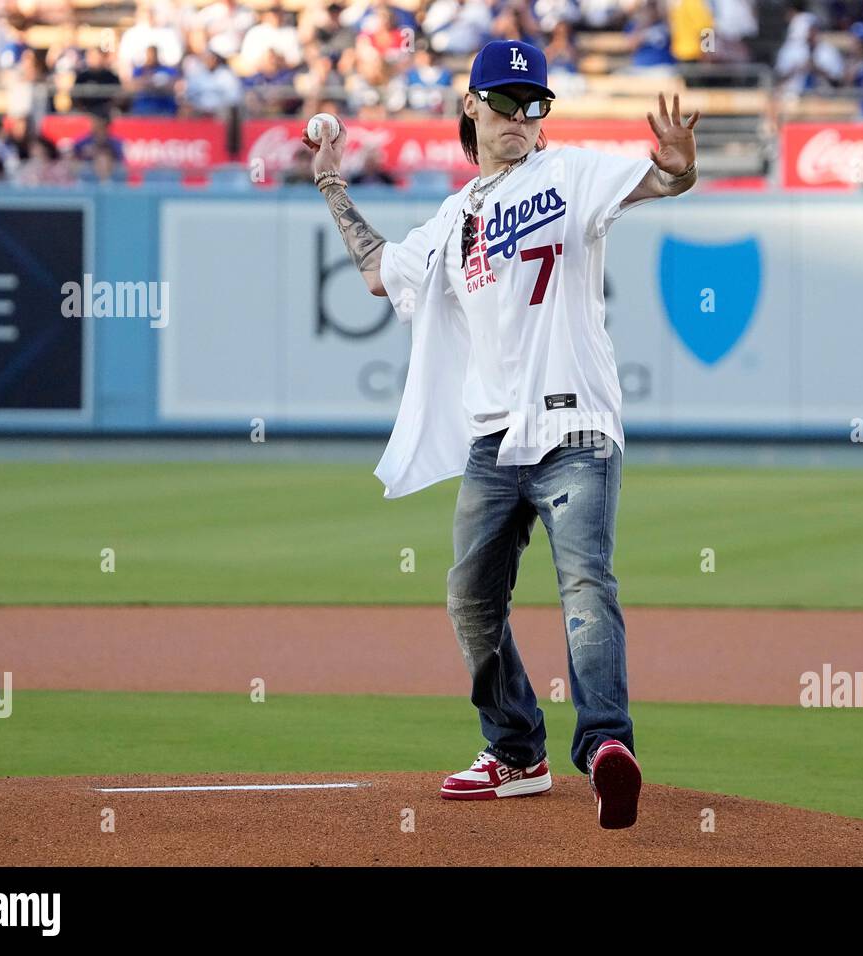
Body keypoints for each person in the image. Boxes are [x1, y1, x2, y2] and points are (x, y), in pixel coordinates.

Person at [303, 39, 700, 829]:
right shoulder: (453, 219)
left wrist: (679, 166)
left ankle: (608, 748)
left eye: (535, 102)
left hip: (577, 426)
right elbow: (381, 272)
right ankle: (516, 751)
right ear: (471, 107)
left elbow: (662, 179)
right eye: (507, 100)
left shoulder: (571, 174)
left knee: (586, 585)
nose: (522, 114)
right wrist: (328, 178)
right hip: (494, 439)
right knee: (471, 602)